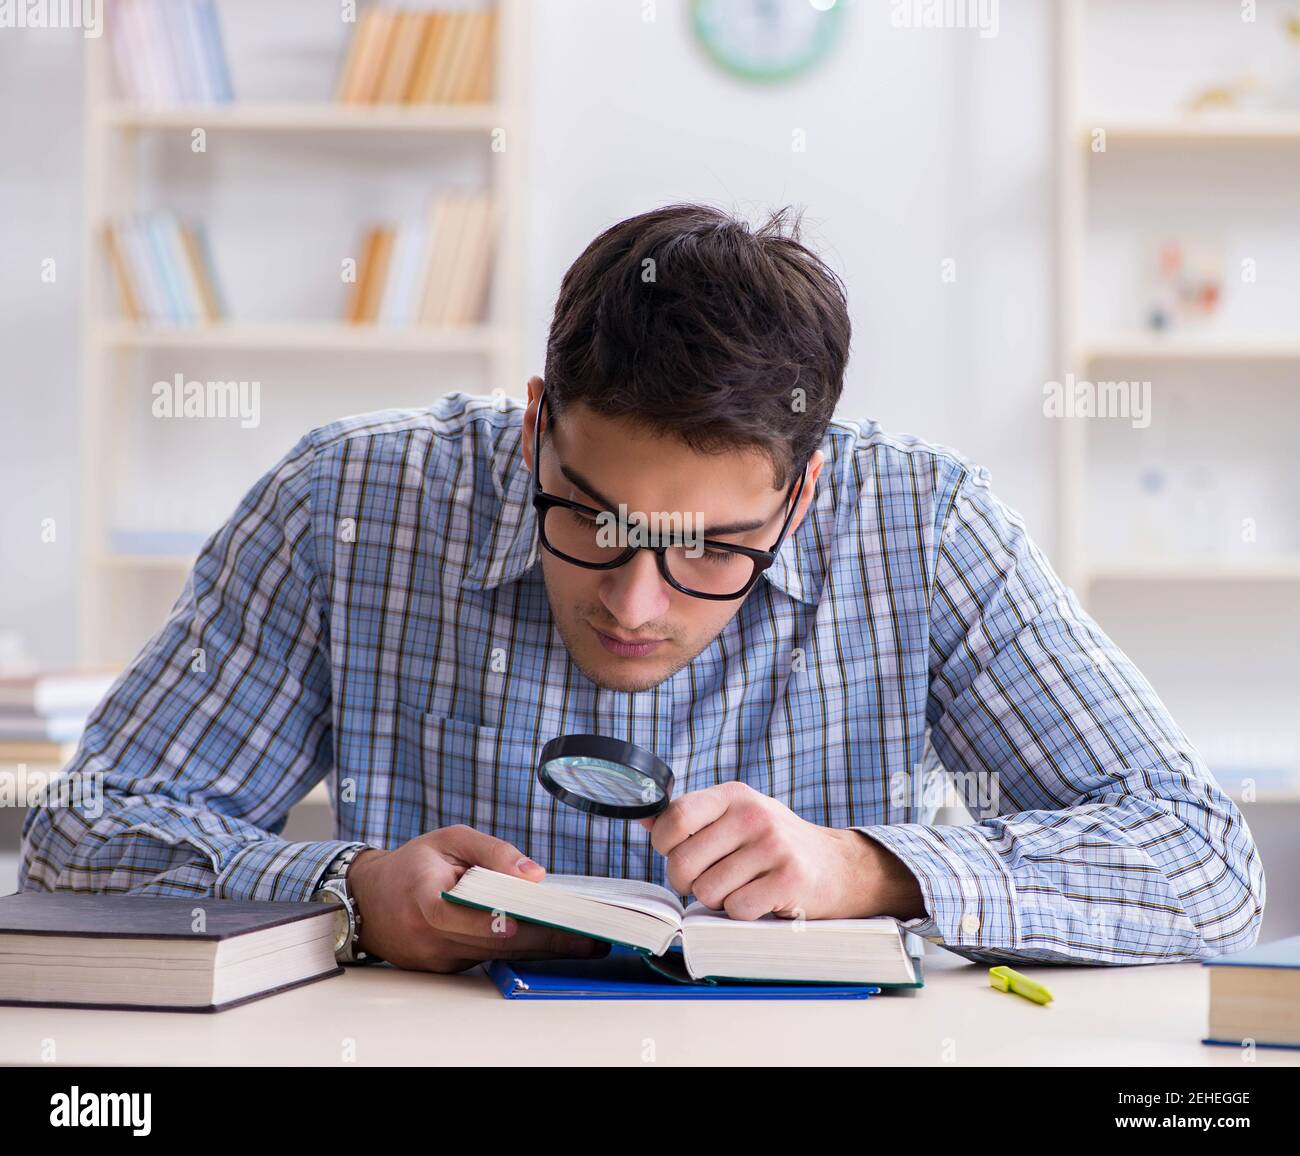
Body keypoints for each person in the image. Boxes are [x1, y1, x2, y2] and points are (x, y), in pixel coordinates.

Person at [21, 203, 1264, 973]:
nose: (636, 603)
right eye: (595, 520)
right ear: (533, 430)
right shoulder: (348, 503)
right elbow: (85, 833)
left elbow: (1205, 858)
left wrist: (873, 872)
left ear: (805, 492)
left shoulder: (923, 523)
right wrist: (345, 891)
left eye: (714, 548)